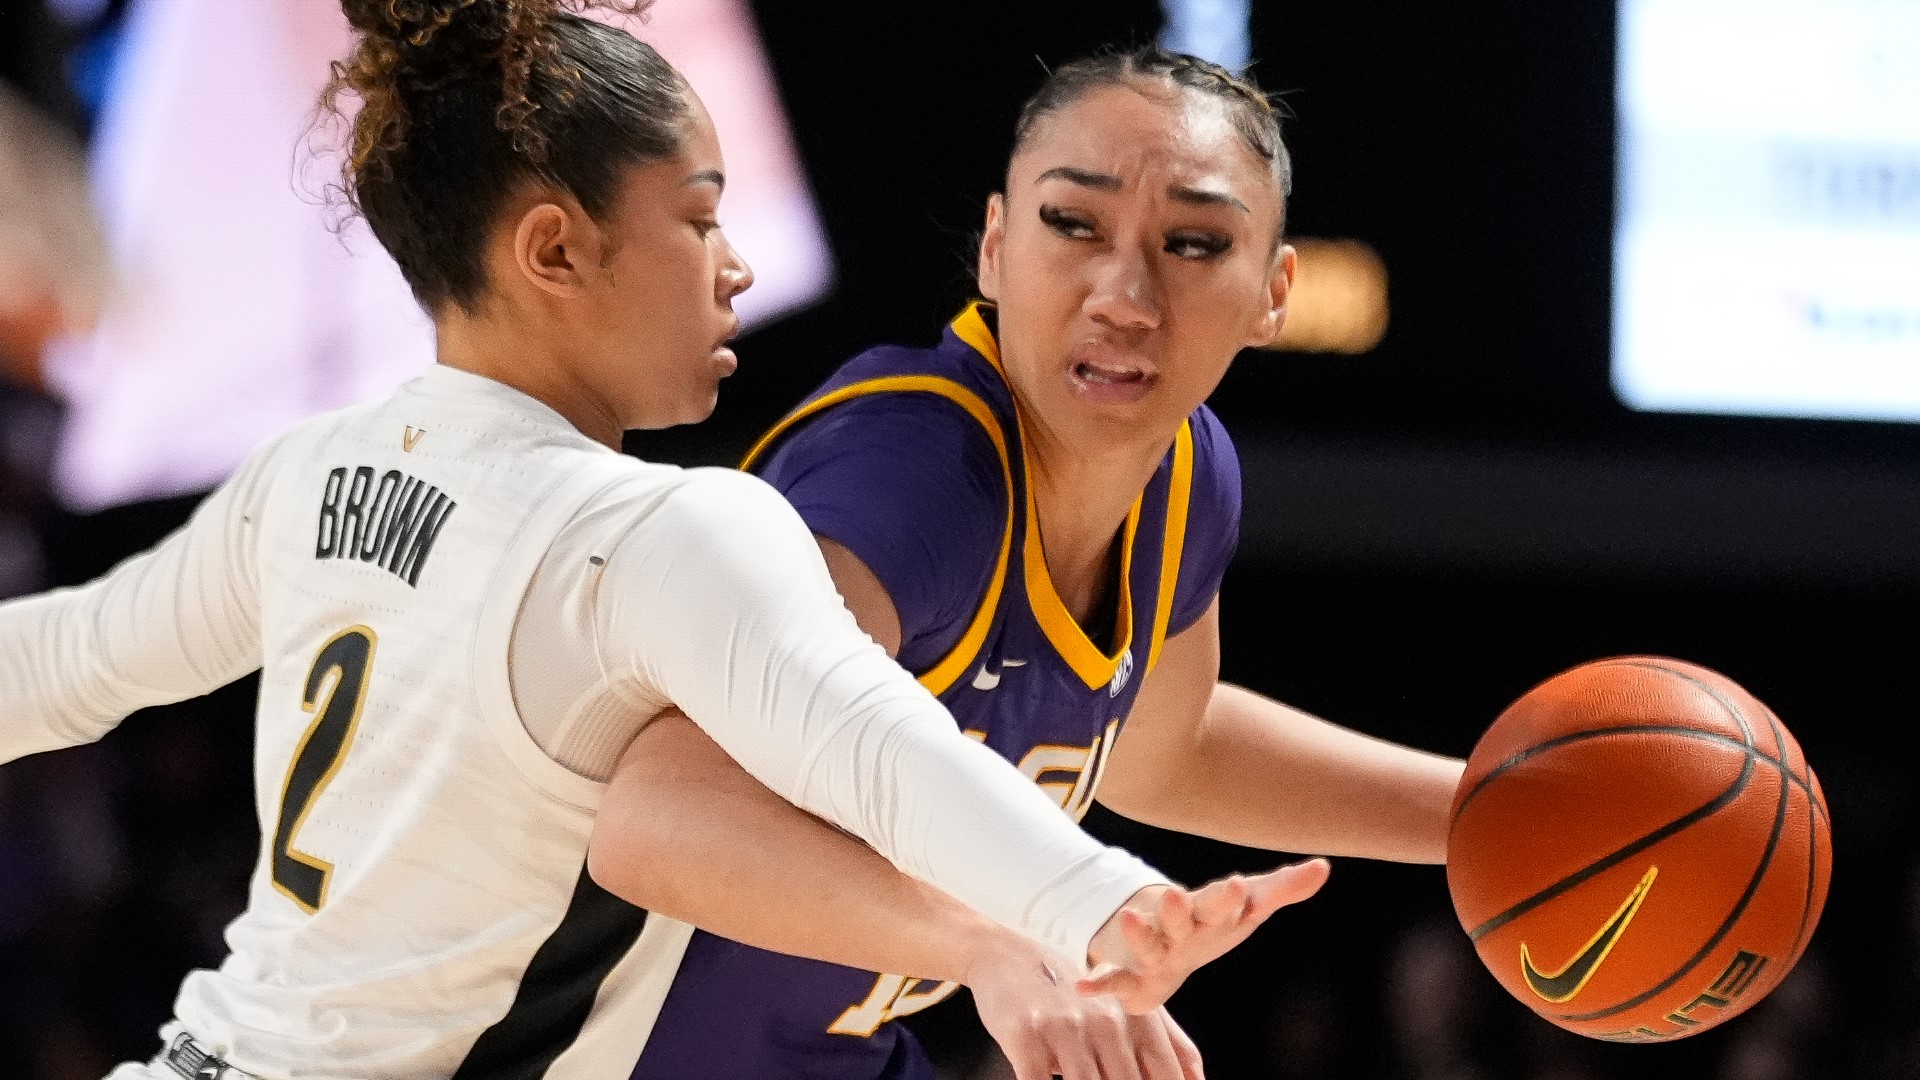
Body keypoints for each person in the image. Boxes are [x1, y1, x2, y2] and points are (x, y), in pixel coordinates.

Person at [0, 8, 1321, 1078]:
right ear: (556, 250)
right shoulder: (654, 533)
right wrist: (1095, 901)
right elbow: (875, 743)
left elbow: (60, 662)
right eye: (698, 220)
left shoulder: (310, 471)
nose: (738, 266)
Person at [615, 45, 1468, 1080]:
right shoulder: (912, 477)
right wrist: (997, 946)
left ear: (1273, 294)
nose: (1127, 294)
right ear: (994, 246)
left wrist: (1495, 817)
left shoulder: (1188, 472)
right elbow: (657, 813)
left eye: (1195, 243)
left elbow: (1166, 747)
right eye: (1073, 225)